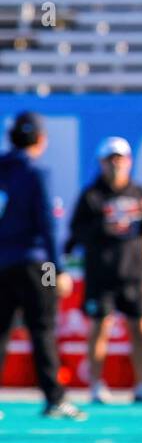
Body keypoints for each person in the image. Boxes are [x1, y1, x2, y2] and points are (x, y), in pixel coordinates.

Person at [0, 112, 85, 420]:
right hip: (38, 266)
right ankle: (54, 397)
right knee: (43, 328)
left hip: (2, 265)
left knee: (1, 331)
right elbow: (48, 226)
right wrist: (58, 269)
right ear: (40, 140)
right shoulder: (37, 173)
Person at [66, 137, 142, 404]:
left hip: (132, 272)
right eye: (111, 160)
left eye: (120, 159)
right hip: (102, 274)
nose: (116, 165)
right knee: (100, 327)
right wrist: (103, 224)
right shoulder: (91, 196)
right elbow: (75, 233)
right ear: (101, 163)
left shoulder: (139, 192)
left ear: (129, 162)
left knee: (140, 328)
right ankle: (96, 383)